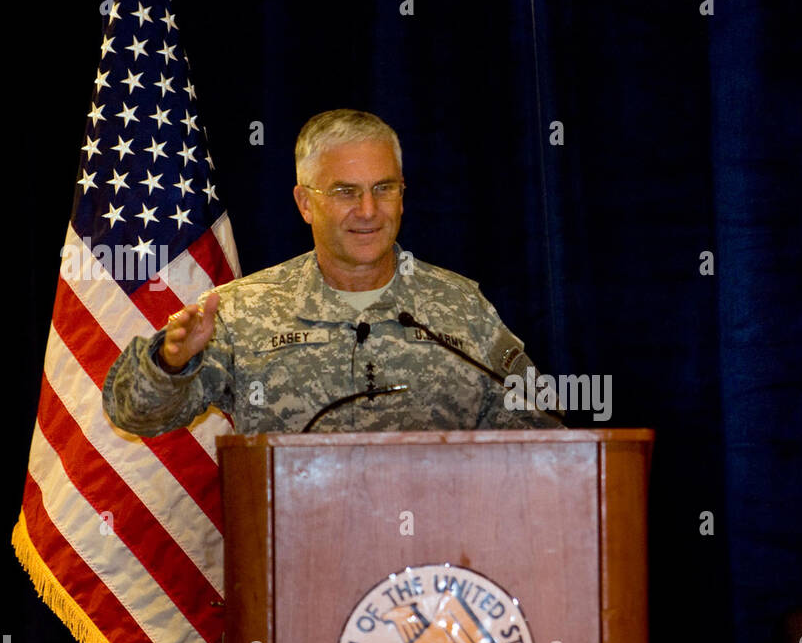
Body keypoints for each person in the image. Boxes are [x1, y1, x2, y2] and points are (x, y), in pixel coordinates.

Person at [103, 109, 554, 435]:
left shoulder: (462, 307)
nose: (368, 211)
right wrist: (170, 364)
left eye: (384, 188)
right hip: (297, 556)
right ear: (305, 203)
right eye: (345, 192)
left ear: (403, 194)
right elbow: (133, 414)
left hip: (441, 560)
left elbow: (541, 429)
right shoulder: (241, 311)